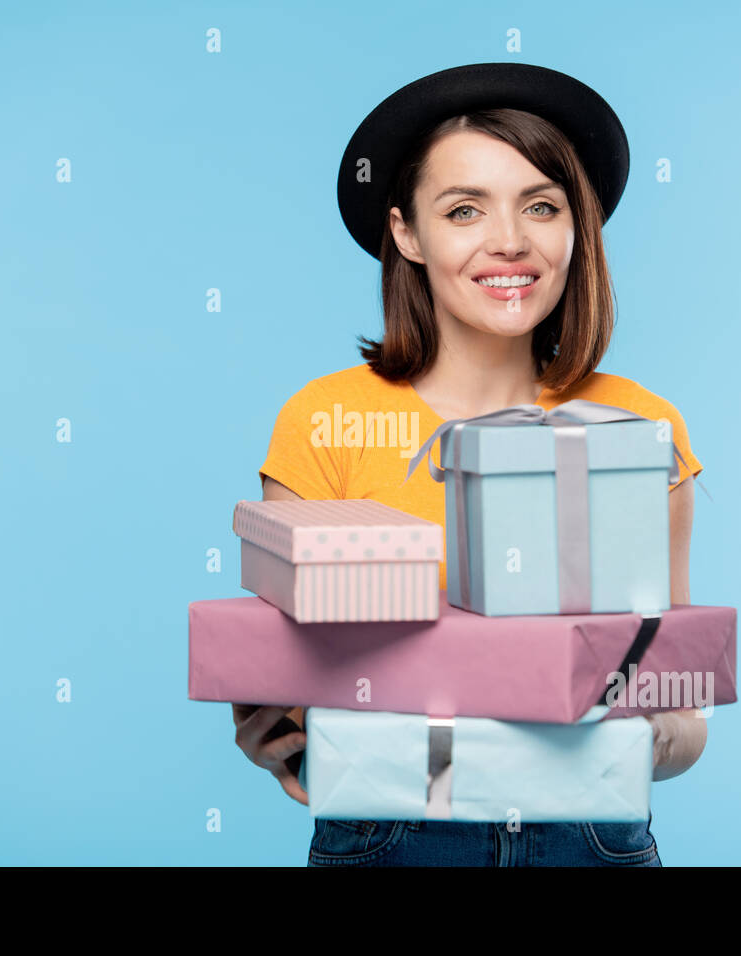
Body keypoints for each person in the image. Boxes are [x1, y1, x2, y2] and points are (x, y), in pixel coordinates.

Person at [233, 63, 707, 866]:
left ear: (575, 231)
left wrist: (633, 736)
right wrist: (277, 730)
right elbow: (277, 685)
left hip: (589, 833)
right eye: (464, 210)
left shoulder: (640, 426)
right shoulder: (324, 421)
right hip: (392, 827)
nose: (510, 242)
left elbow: (684, 705)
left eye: (542, 207)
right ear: (408, 233)